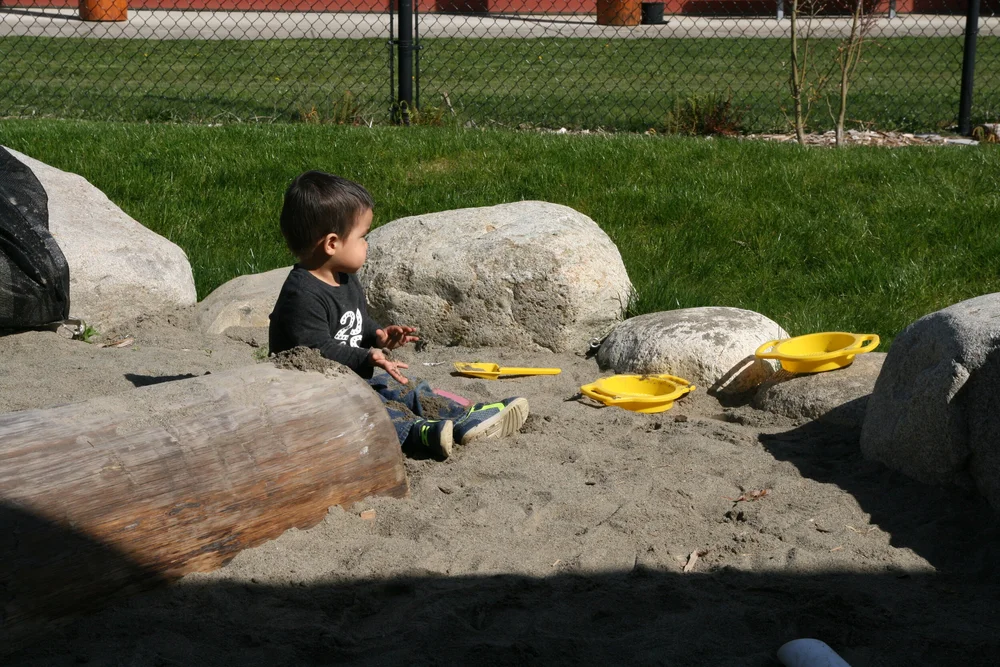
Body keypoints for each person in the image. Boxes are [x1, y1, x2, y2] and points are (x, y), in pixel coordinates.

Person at [268, 171, 529, 459]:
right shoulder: (301, 294)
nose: (367, 244)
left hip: (351, 377)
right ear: (332, 243)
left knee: (406, 387)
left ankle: (464, 417)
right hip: (314, 393)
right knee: (373, 409)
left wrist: (377, 334)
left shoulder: (344, 277)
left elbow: (354, 321)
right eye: (362, 237)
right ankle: (419, 434)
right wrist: (366, 357)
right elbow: (315, 351)